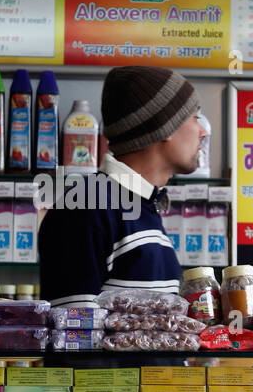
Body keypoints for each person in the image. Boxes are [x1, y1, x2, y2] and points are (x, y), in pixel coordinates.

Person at [38, 65, 205, 308]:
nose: (203, 132)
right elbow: (73, 335)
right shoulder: (87, 206)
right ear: (165, 127)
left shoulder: (143, 204)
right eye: (195, 118)